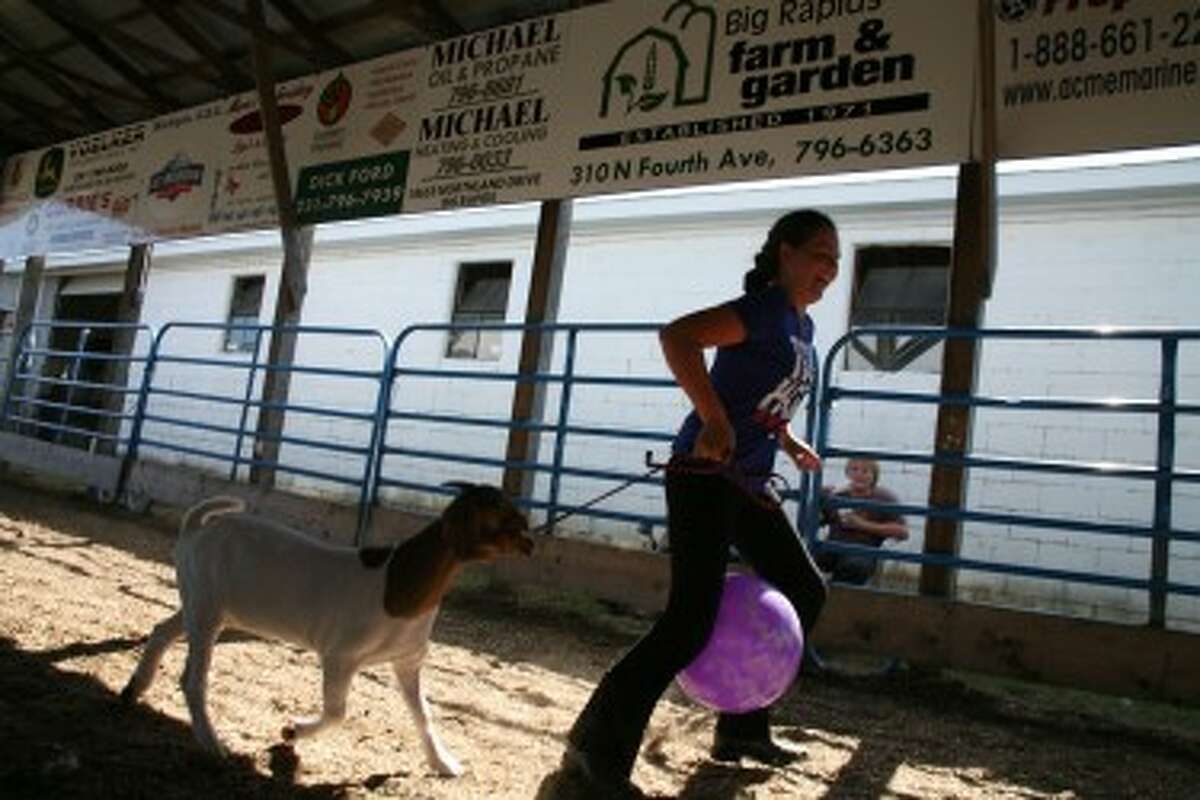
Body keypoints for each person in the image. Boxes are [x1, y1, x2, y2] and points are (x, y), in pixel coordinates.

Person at [562, 210, 837, 798]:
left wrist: (786, 439)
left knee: (804, 588)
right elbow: (678, 336)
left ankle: (741, 729)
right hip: (704, 475)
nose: (830, 269)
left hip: (750, 482)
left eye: (836, 259)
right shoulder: (761, 310)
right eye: (820, 254)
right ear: (785, 253)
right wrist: (713, 419)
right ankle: (593, 750)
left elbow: (763, 399)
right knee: (689, 622)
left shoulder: (804, 327)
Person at [817, 458, 908, 586]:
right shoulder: (837, 495)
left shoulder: (884, 497)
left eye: (865, 471)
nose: (859, 475)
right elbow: (818, 520)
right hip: (831, 548)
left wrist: (862, 524)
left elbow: (903, 533)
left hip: (862, 553)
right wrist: (819, 498)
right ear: (847, 473)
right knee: (803, 557)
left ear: (874, 476)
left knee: (854, 567)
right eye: (854, 470)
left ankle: (835, 597)